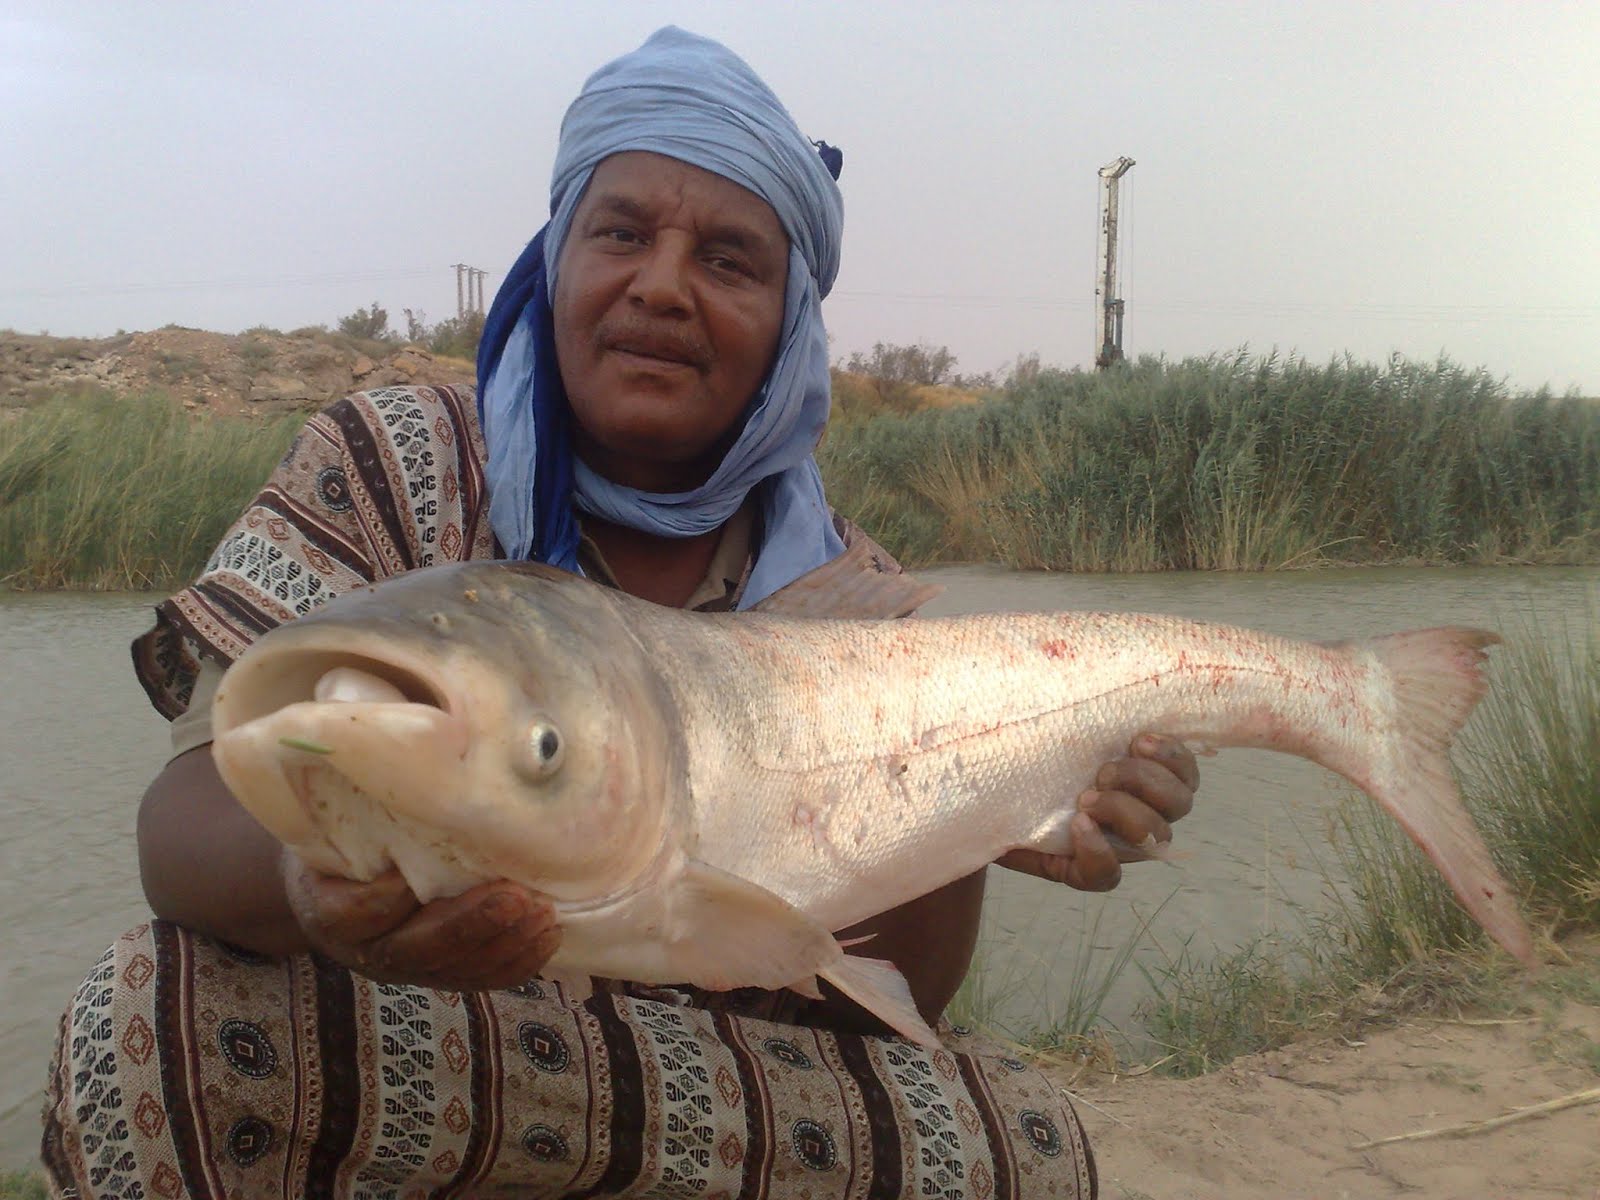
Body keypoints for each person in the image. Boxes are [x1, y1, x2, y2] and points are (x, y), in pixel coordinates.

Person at [44, 27, 1196, 1199]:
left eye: (730, 260)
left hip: (721, 1096)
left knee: (1030, 1145)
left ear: (791, 323)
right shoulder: (391, 458)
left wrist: (989, 805)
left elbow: (896, 1003)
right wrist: (314, 896)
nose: (661, 284)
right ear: (556, 258)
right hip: (416, 1054)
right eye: (623, 233)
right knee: (160, 1013)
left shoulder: (853, 597)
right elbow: (183, 818)